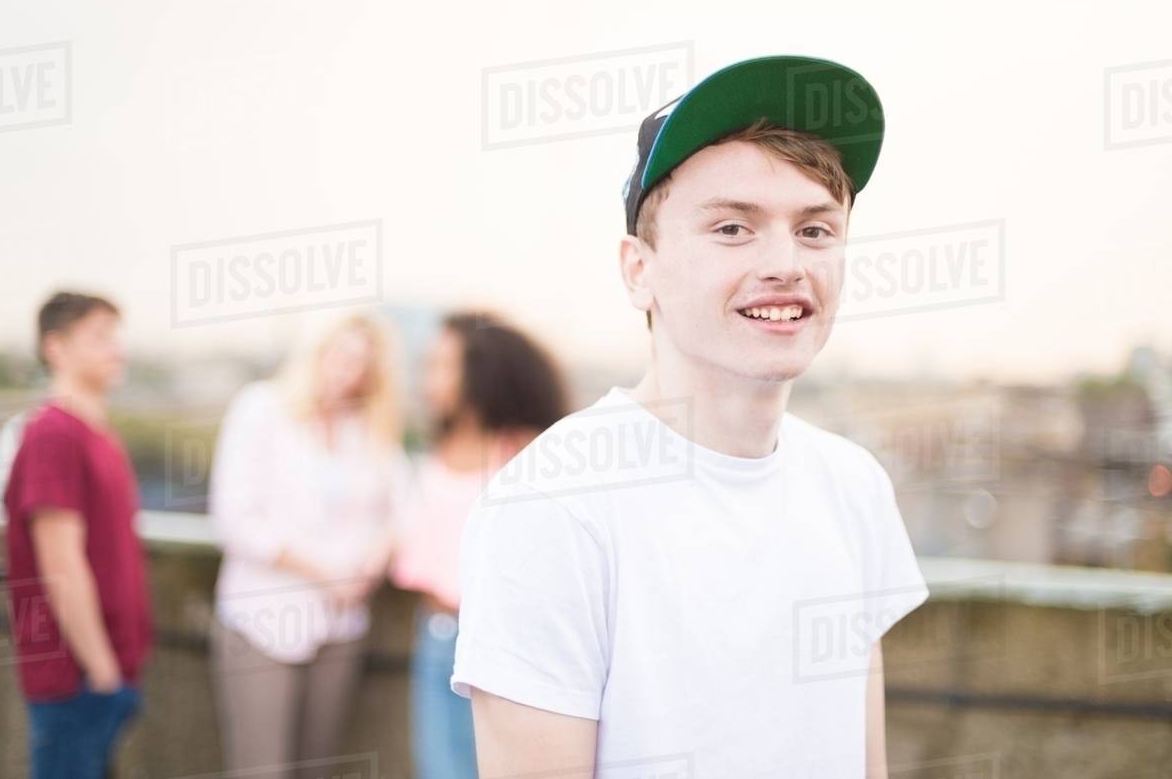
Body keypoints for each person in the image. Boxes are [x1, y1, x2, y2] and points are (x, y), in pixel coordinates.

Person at [451, 56, 931, 778]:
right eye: (734, 227)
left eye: (816, 229)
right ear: (638, 269)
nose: (785, 264)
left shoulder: (854, 486)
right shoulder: (552, 505)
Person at [208, 311, 407, 779]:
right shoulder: (260, 408)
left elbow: (404, 508)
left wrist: (371, 564)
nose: (350, 370)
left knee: (319, 767)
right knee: (262, 769)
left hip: (340, 628)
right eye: (342, 354)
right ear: (315, 351)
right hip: (262, 623)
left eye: (364, 363)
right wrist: (325, 572)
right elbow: (234, 517)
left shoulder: (368, 428)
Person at [390, 312, 567, 779]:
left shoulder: (525, 452)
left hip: (498, 644)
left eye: (442, 364)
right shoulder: (438, 446)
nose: (428, 378)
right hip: (434, 636)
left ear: (479, 371)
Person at [3, 291, 149, 779]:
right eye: (99, 337)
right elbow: (60, 563)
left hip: (105, 676)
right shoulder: (54, 433)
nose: (116, 350)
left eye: (116, 337)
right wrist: (103, 670)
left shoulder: (97, 433)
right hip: (77, 680)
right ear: (56, 348)